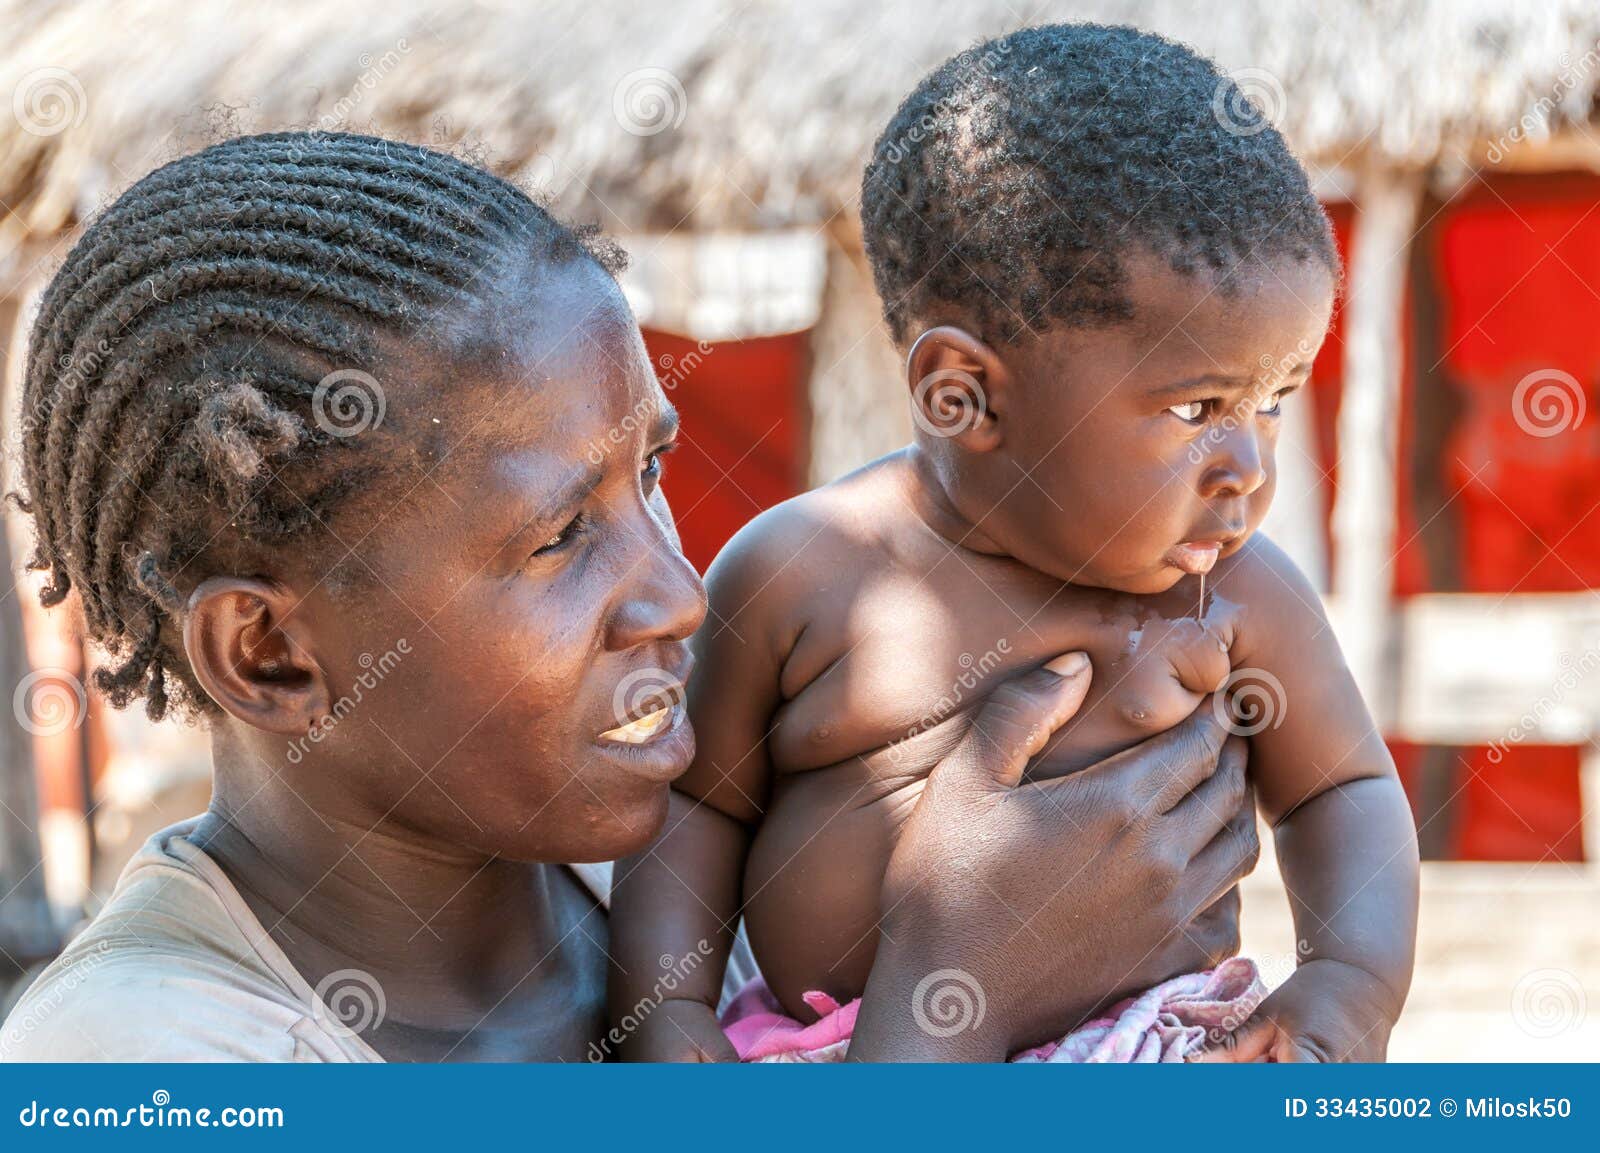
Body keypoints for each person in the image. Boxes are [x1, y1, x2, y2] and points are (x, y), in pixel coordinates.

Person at [0, 131, 1256, 1063]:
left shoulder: (706, 891)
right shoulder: (142, 1059)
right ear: (271, 653)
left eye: (647, 474)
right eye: (556, 539)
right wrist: (950, 1001)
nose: (675, 590)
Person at [611, 24, 1420, 1063]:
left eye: (1273, 401)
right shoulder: (795, 572)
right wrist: (668, 1016)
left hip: (1153, 1046)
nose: (1249, 465)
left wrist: (1348, 985)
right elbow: (695, 809)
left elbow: (1340, 788)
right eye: (1195, 407)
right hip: (834, 1057)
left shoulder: (1239, 600)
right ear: (967, 394)